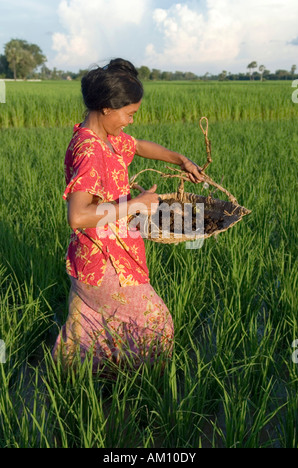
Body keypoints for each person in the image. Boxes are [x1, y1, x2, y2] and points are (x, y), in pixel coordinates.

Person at [52, 58, 205, 375]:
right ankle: (145, 387)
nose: (131, 121)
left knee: (87, 326)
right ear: (107, 108)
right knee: (155, 323)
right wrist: (137, 204)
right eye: (129, 114)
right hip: (106, 260)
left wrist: (181, 160)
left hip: (87, 260)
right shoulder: (92, 151)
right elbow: (78, 215)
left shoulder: (100, 136)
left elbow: (137, 146)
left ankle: (67, 384)